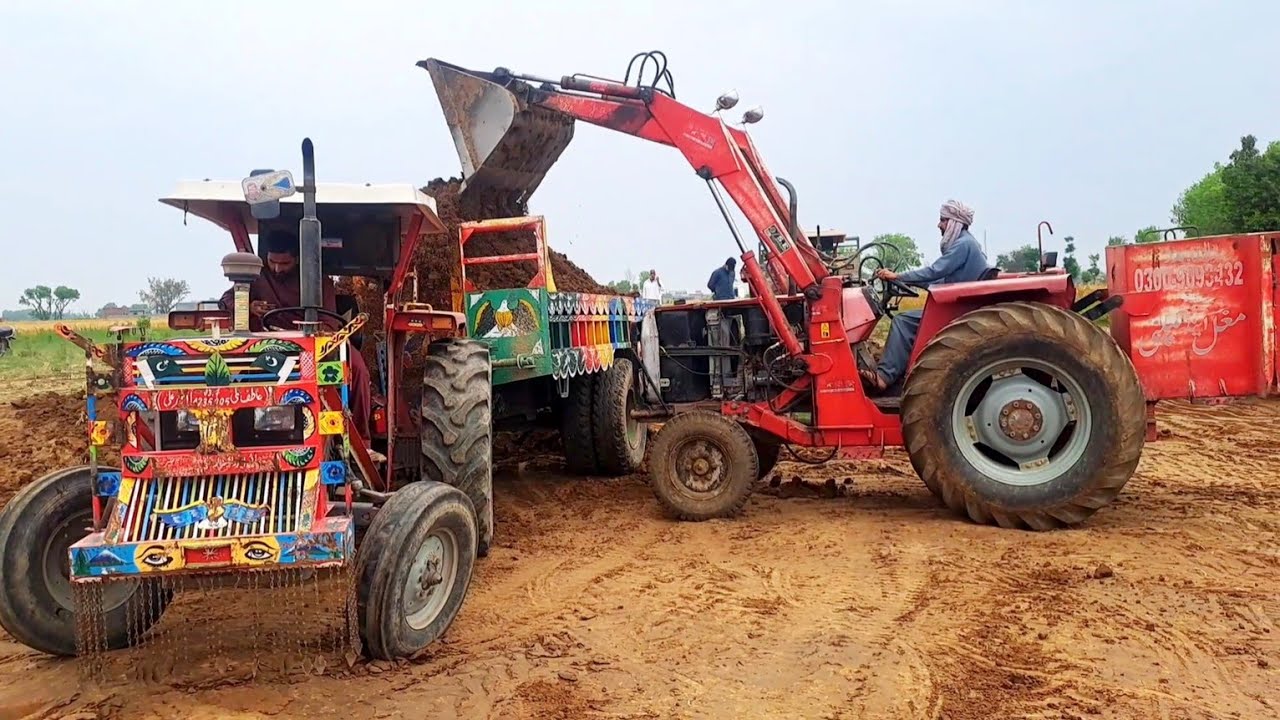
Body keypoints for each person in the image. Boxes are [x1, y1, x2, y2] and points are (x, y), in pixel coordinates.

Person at [218, 228, 375, 448]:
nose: (277, 269)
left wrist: (320, 334)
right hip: (266, 346)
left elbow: (331, 323)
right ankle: (235, 436)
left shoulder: (319, 281)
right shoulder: (257, 278)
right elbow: (226, 301)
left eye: (284, 264)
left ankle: (362, 443)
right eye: (273, 262)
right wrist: (249, 307)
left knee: (357, 368)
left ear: (297, 259)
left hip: (312, 344)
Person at [860, 199, 990, 393]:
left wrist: (898, 276)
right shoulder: (967, 243)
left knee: (902, 322)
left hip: (957, 310)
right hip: (958, 304)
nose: (939, 225)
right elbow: (938, 280)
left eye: (943, 220)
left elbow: (934, 271)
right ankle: (898, 374)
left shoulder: (963, 245)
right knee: (908, 319)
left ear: (955, 222)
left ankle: (884, 377)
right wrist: (906, 281)